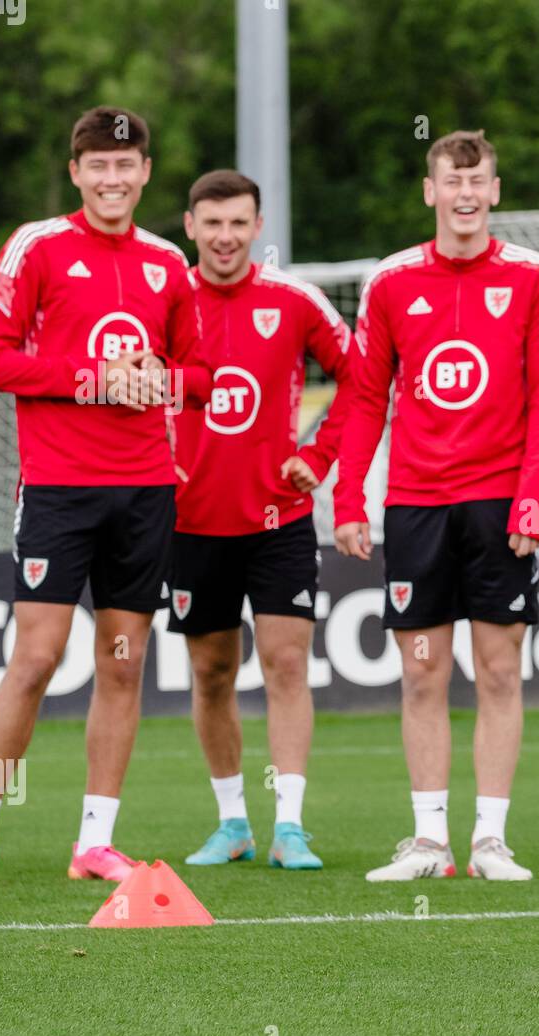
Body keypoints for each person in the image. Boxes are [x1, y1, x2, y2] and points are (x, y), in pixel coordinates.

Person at [0, 106, 210, 888]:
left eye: (126, 166)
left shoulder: (168, 264)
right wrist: (89, 379)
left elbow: (201, 377)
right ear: (76, 173)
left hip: (145, 491)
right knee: (35, 659)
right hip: (59, 490)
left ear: (146, 173)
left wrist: (162, 381)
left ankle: (94, 841)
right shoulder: (37, 246)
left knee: (123, 664)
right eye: (98, 165)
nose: (113, 178)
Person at [334, 131, 539, 882]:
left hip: (500, 502)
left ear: (494, 192)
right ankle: (430, 840)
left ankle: (490, 840)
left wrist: (532, 493)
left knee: (499, 670)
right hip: (415, 503)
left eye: (478, 181)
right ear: (430, 192)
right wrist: (348, 495)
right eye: (451, 181)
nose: (465, 193)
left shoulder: (533, 277)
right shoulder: (392, 281)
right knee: (422, 672)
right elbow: (365, 398)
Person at [168, 169, 356, 870]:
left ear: (258, 225)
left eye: (238, 223)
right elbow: (128, 377)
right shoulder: (165, 298)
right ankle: (231, 822)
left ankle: (291, 826)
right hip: (189, 523)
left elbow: (363, 376)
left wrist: (322, 453)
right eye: (212, 223)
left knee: (284, 663)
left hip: (280, 519)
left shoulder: (295, 300)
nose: (225, 237)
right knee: (212, 670)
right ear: (190, 226)